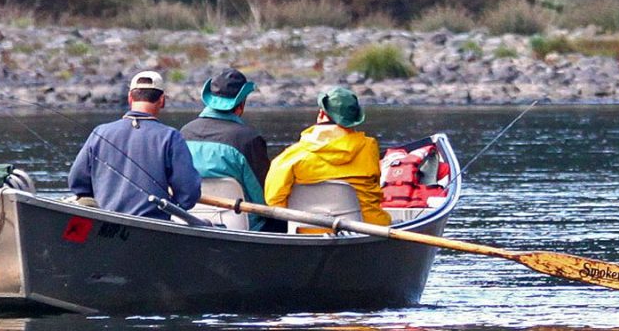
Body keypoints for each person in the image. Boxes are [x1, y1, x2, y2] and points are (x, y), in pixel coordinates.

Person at [67, 70, 202, 218]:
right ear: (162, 100)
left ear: (130, 98)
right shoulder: (171, 137)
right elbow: (188, 193)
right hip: (153, 227)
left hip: (105, 223)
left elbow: (77, 183)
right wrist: (173, 206)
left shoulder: (100, 132)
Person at [263, 85, 388, 226]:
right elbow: (375, 184)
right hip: (369, 228)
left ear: (321, 115)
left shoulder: (291, 157)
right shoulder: (369, 147)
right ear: (354, 120)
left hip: (307, 232)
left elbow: (273, 200)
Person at [181, 68, 270, 202]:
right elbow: (264, 196)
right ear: (241, 104)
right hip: (242, 221)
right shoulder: (249, 140)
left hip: (191, 217)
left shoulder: (184, 133)